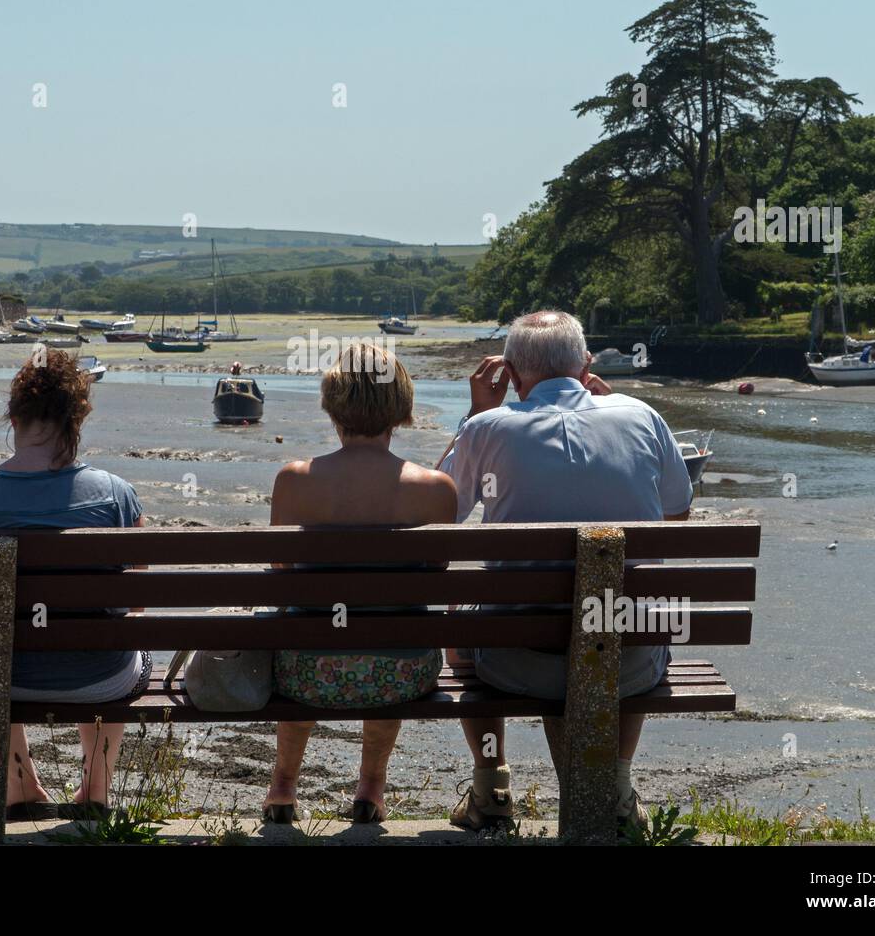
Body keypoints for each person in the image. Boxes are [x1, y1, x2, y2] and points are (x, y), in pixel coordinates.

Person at [438, 311, 693, 836]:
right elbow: (678, 513)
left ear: (509, 371)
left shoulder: (488, 429)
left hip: (519, 662)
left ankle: (490, 787)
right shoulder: (641, 416)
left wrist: (473, 414)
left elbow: (440, 515)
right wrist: (612, 406)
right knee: (630, 611)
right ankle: (618, 786)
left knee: (458, 612)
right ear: (588, 363)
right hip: (629, 664)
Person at [0, 349, 150, 821]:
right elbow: (136, 600)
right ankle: (95, 789)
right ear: (77, 419)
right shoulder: (116, 494)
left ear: (13, 417)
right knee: (111, 636)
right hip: (102, 679)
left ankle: (19, 784)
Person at [264, 343, 458, 824]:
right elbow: (436, 573)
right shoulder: (436, 489)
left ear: (333, 407)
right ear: (402, 409)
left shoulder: (294, 480)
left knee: (302, 631)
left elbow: (280, 574)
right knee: (393, 626)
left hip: (307, 673)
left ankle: (283, 786)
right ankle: (371, 786)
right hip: (402, 674)